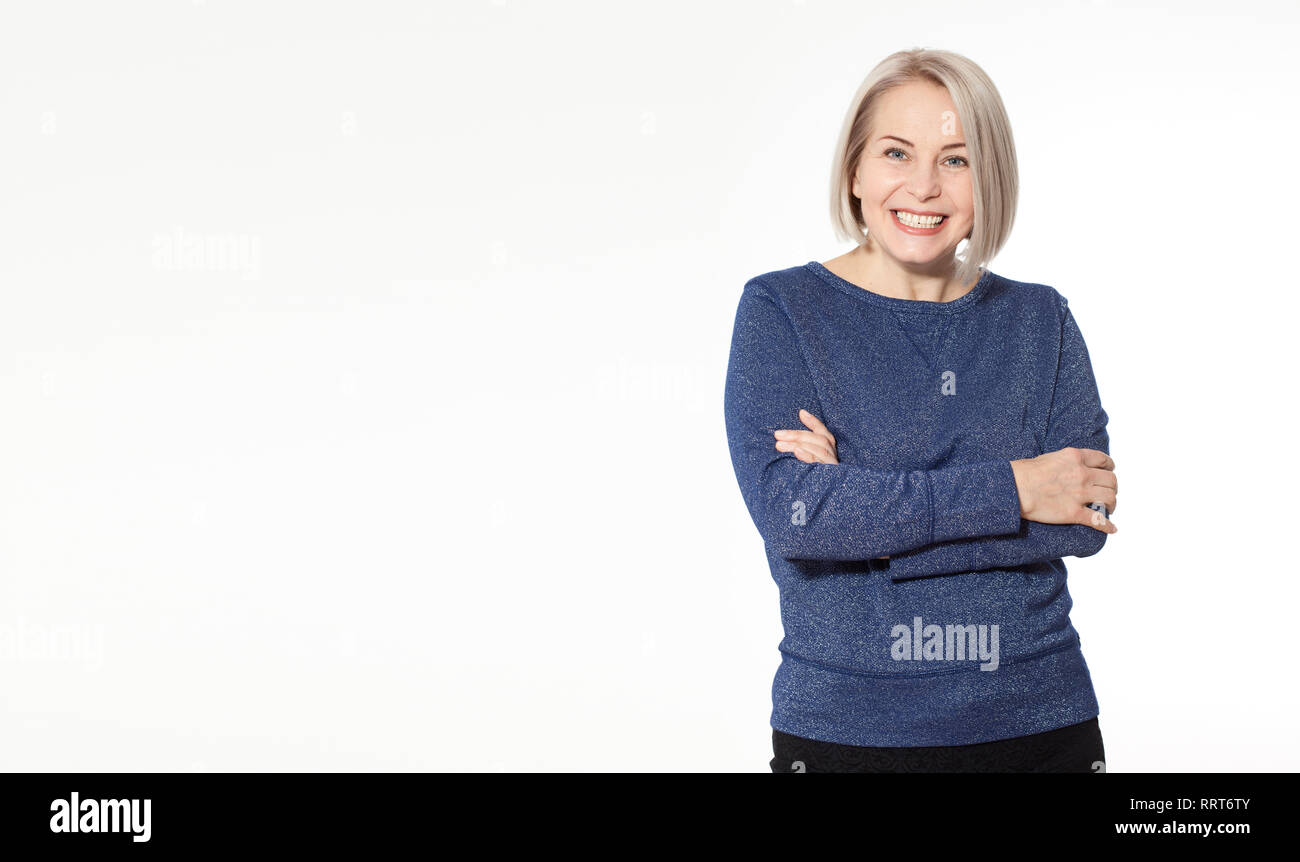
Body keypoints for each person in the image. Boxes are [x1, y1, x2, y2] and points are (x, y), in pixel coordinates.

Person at [722, 48, 1119, 773]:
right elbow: (798, 518)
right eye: (897, 153)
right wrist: (1019, 489)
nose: (925, 187)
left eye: (957, 160)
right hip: (850, 735)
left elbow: (1087, 518)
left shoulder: (1040, 320)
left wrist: (865, 505)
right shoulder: (784, 311)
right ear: (855, 170)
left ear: (988, 177)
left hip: (1041, 722)